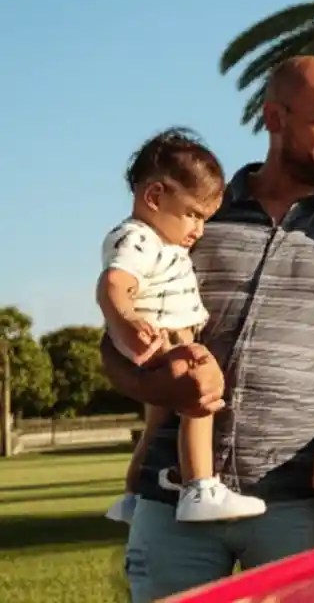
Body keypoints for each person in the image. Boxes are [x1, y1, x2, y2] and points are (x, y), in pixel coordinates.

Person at [98, 56, 314, 603]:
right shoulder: (194, 213)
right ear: (274, 117)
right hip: (174, 502)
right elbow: (116, 344)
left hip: (299, 506)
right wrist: (162, 387)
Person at [99, 128, 266, 525]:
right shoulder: (137, 240)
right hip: (162, 340)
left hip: (164, 339)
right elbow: (113, 285)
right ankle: (199, 487)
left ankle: (133, 494)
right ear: (154, 197)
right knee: (202, 393)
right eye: (192, 214)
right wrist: (126, 322)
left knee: (156, 423)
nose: (199, 229)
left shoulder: (160, 242)